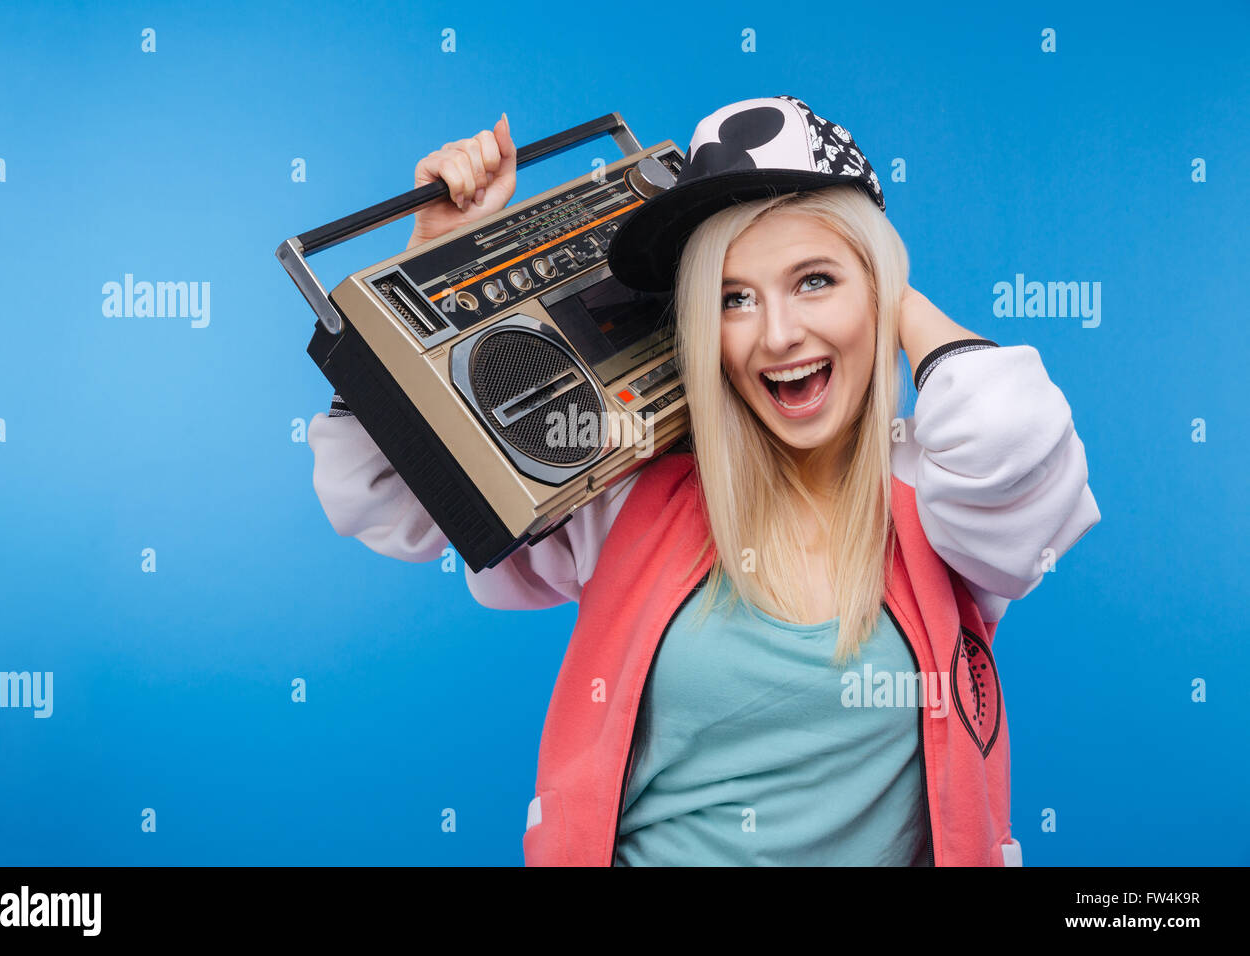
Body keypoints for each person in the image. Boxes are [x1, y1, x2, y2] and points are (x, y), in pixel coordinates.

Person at [307, 96, 1101, 867]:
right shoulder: (629, 495)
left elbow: (1014, 431)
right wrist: (428, 273)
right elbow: (384, 499)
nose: (779, 334)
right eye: (733, 298)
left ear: (882, 291)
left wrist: (895, 293)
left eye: (816, 280)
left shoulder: (945, 497)